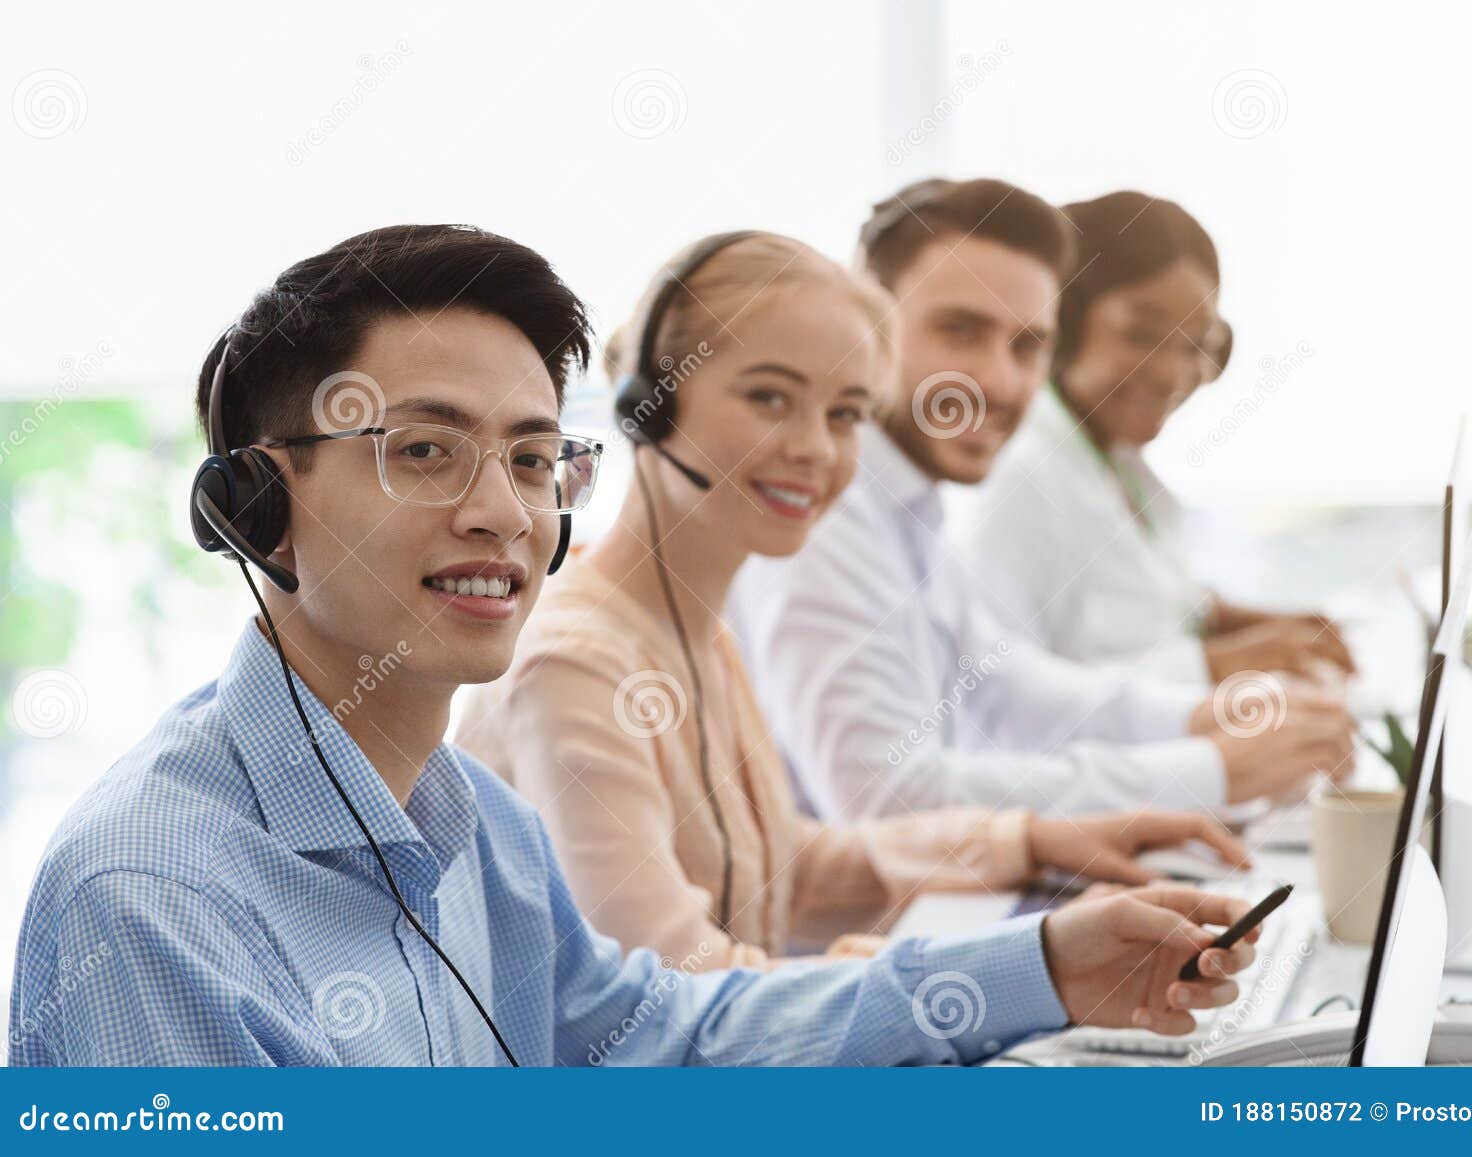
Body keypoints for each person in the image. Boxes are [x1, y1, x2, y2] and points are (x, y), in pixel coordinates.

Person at [8, 224, 1258, 1067]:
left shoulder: (473, 822)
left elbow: (659, 1029)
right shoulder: (155, 901)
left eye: (535, 455)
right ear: (258, 506)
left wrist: (1036, 966)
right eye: (426, 449)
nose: (503, 507)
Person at [456, 231, 1251, 970]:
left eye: (845, 415)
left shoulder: (697, 633)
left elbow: (777, 868)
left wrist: (1032, 841)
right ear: (649, 405)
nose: (816, 449)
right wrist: (1023, 967)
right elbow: (674, 995)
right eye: (770, 398)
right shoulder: (577, 667)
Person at [730, 180, 1355, 824]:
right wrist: (1212, 769)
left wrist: (1206, 715)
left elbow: (1008, 689)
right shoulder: (820, 510)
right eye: (959, 330)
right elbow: (887, 801)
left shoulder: (908, 504)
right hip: (858, 920)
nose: (998, 382)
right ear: (865, 326)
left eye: (1027, 345)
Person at [949, 191, 1357, 686]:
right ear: (1063, 322)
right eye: (1141, 335)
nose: (1171, 375)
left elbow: (1148, 607)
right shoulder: (1019, 478)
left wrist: (1254, 627)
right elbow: (999, 701)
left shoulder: (1122, 467)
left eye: (1196, 346)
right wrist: (1219, 664)